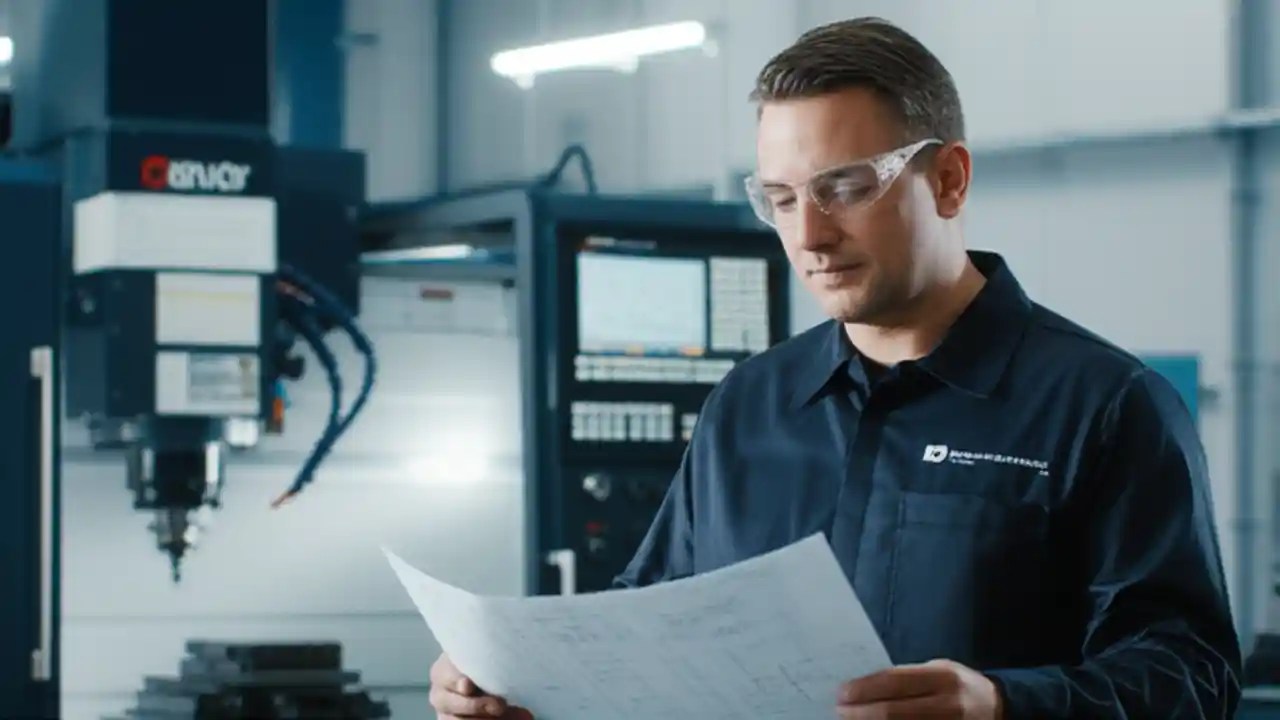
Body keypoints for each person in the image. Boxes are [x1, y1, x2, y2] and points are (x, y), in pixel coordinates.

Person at [428, 16, 1242, 719]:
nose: (808, 237)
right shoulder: (749, 406)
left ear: (950, 179)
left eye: (844, 187)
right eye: (781, 199)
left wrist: (1002, 704)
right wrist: (512, 679)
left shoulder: (1104, 407)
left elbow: (1194, 678)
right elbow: (641, 623)